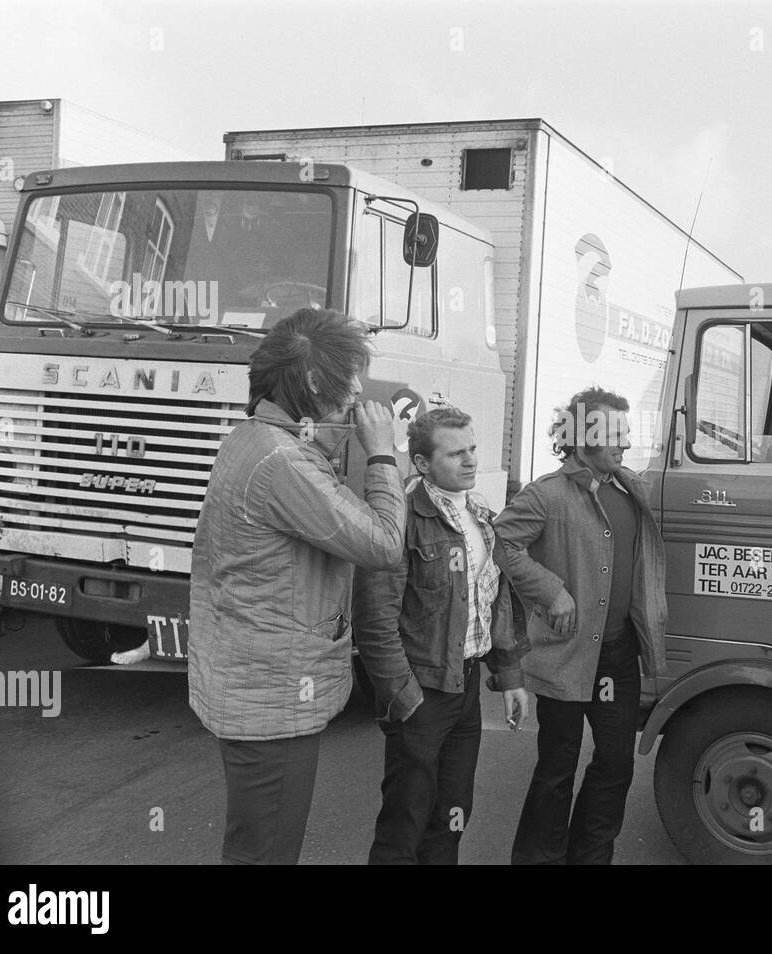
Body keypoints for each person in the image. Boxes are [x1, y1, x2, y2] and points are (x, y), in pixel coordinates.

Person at [188, 307, 407, 865]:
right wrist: (382, 451)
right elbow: (383, 543)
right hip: (271, 703)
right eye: (348, 383)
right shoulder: (282, 461)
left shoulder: (258, 438)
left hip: (254, 687)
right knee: (266, 853)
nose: (357, 398)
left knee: (256, 845)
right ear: (312, 383)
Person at [496, 386, 667, 864]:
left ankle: (590, 856)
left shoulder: (630, 488)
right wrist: (550, 589)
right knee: (556, 769)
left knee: (614, 765)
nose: (626, 442)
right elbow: (503, 543)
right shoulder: (545, 495)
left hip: (616, 654)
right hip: (567, 655)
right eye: (616, 432)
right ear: (582, 434)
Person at [353, 406, 530, 865]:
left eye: (472, 449)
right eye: (456, 454)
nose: (470, 460)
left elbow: (496, 600)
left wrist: (509, 677)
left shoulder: (481, 516)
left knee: (452, 815)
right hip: (421, 694)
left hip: (465, 689)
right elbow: (375, 621)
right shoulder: (403, 519)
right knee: (404, 822)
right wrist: (404, 698)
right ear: (423, 463)